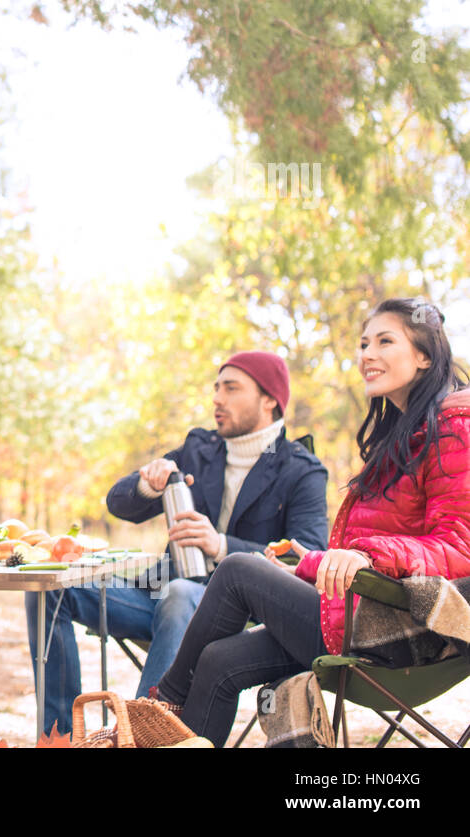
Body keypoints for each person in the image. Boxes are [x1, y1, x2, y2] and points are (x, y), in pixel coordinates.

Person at [156, 298, 470, 745]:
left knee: (238, 569)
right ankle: (168, 723)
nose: (367, 355)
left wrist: (365, 554)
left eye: (385, 341)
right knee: (219, 660)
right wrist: (313, 563)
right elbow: (390, 546)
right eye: (364, 344)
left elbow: (460, 549)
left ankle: (158, 705)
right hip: (364, 614)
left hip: (404, 637)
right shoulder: (404, 434)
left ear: (424, 355)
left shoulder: (455, 428)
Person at [26, 350, 329, 735]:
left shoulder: (300, 469)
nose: (217, 399)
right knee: (51, 586)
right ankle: (60, 736)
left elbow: (307, 554)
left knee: (181, 593)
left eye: (231, 388)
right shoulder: (199, 450)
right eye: (216, 388)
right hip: (156, 596)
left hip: (240, 618)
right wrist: (147, 484)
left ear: (269, 399)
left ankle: (138, 737)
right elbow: (118, 503)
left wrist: (221, 545)